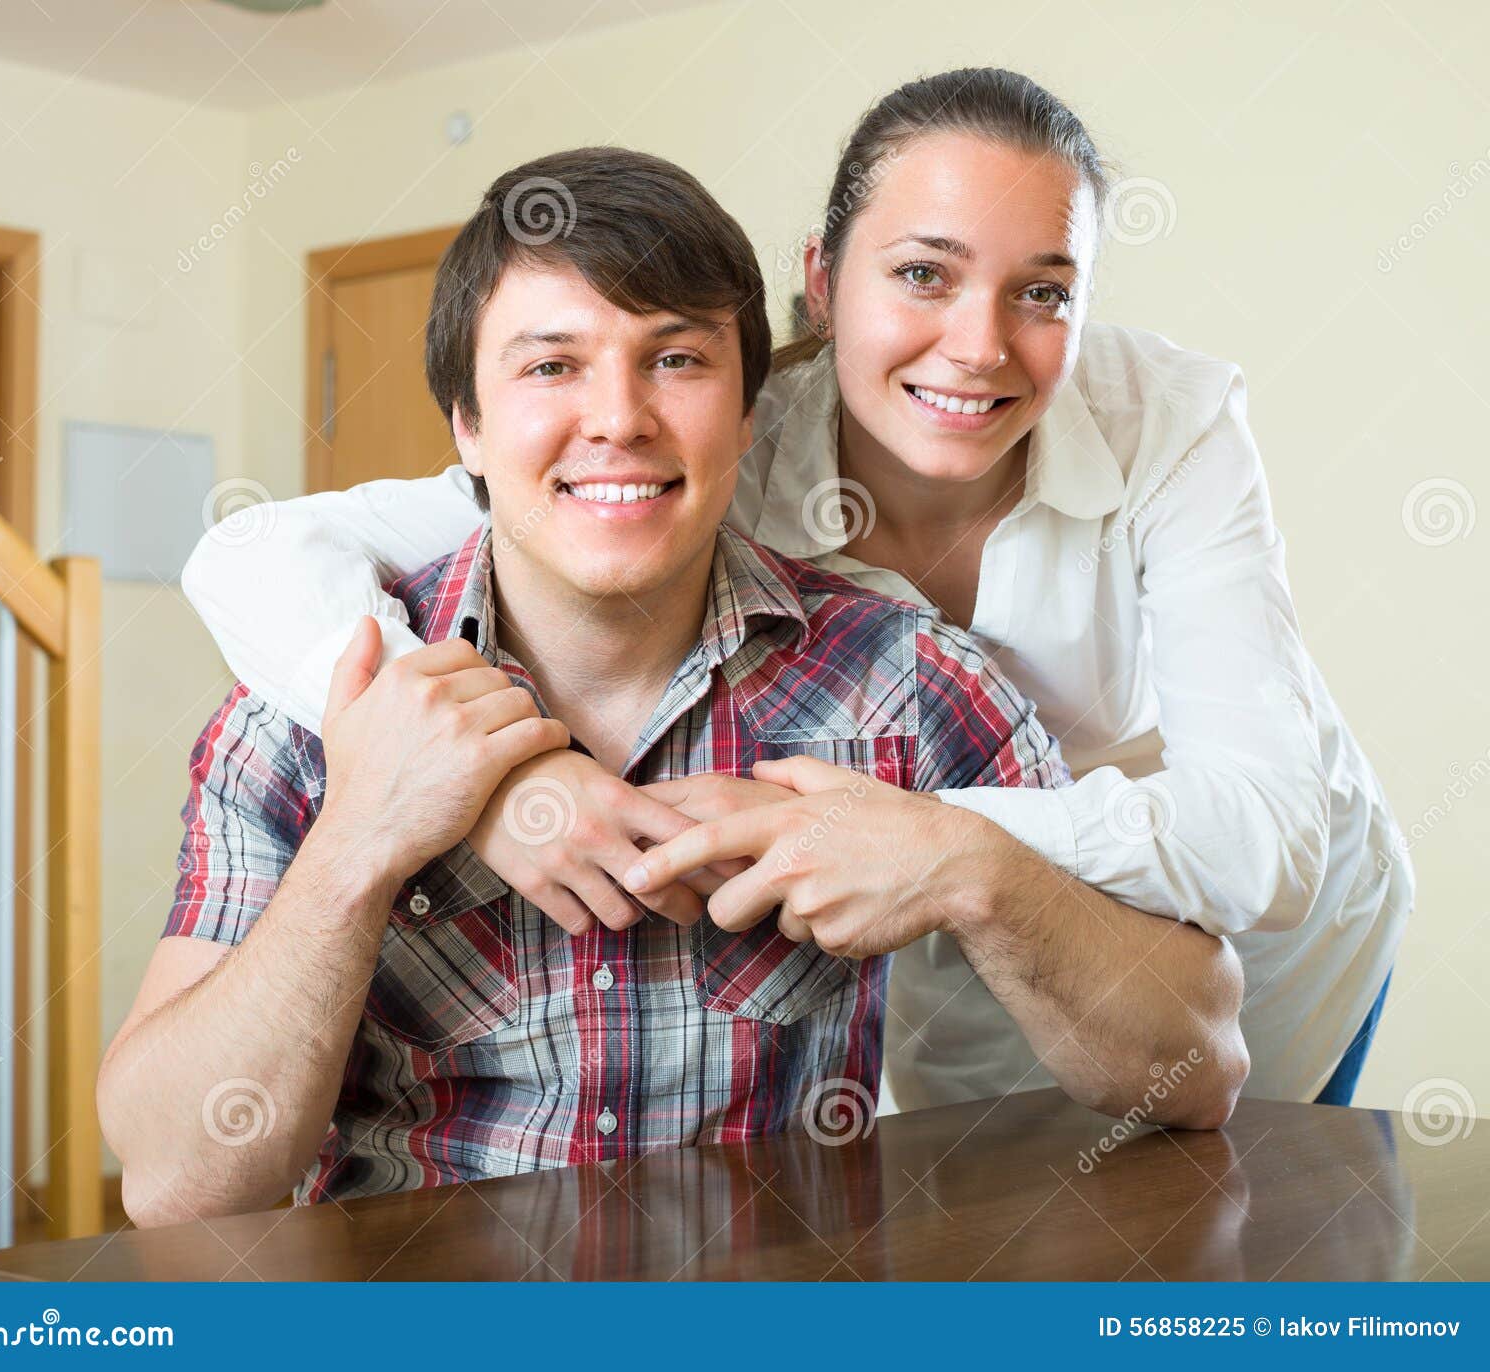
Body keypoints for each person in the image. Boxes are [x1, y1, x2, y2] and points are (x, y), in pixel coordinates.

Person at [187, 68, 1397, 1113]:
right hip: (954, 947)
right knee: (1011, 1218)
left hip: (1252, 956)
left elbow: (1261, 844)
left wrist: (947, 841)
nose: (978, 344)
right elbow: (253, 554)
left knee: (1239, 1244)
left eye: (1043, 291)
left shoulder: (1169, 420)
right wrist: (483, 772)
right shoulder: (702, 443)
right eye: (921, 273)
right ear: (820, 277)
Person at [102, 145, 1248, 1224]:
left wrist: (972, 866)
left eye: (676, 359)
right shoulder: (312, 706)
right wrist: (360, 841)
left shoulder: (902, 676)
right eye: (551, 366)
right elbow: (174, 1185)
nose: (618, 420)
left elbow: (1199, 1065)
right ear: (468, 426)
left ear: (748, 416)